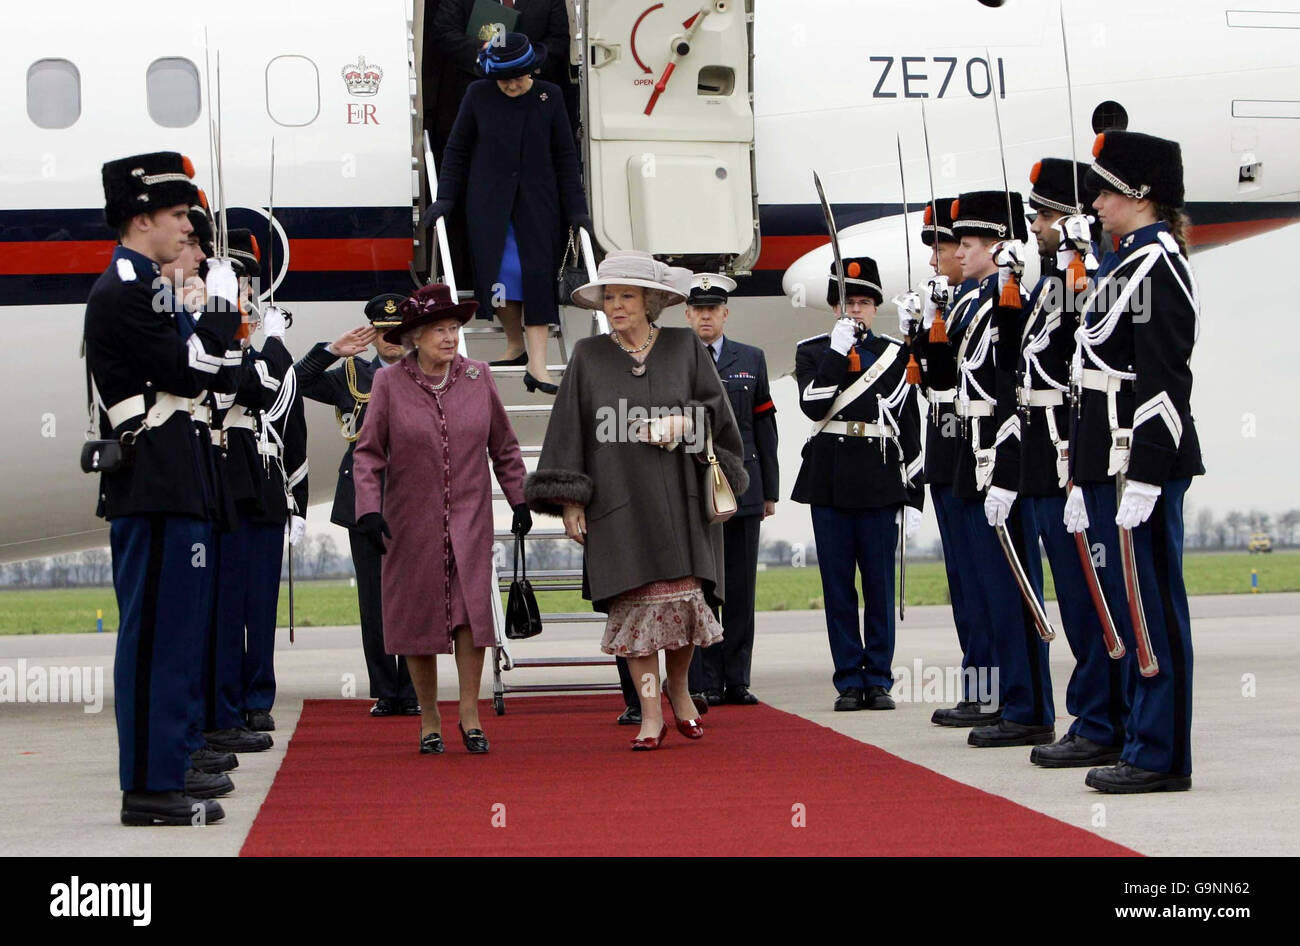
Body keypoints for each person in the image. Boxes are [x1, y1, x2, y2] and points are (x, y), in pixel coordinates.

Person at [525, 250, 748, 749]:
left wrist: (684, 424)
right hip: (618, 505)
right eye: (609, 296)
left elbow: (722, 421)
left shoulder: (685, 346)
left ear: (651, 302)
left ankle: (682, 690)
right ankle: (651, 712)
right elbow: (568, 431)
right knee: (636, 618)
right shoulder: (587, 354)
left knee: (685, 611)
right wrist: (569, 500)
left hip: (685, 502)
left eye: (627, 295)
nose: (616, 305)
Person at [86, 151, 241, 825]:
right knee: (154, 641)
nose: (188, 228)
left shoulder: (146, 283)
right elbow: (191, 369)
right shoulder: (127, 287)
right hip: (151, 481)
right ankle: (148, 788)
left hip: (173, 481)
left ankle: (167, 769)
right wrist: (225, 309)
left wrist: (217, 323)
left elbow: (212, 372)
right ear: (140, 216)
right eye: (178, 215)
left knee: (176, 638)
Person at [986, 158, 1134, 768]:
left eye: (1046, 214)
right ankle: (1093, 715)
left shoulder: (1091, 280)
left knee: (1086, 596)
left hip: (1071, 455)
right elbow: (1017, 371)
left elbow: (1092, 367)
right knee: (1075, 600)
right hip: (1041, 457)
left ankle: (1101, 720)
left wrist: (1083, 271)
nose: (1036, 225)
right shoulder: (1052, 284)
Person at [1067, 131, 1202, 793]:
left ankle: (1161, 754)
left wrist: (1147, 472)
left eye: (1104, 189)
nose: (1094, 202)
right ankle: (1146, 742)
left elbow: (1166, 377)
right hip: (1110, 455)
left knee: (1155, 610)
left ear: (1140, 194)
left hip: (1140, 458)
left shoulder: (1159, 264)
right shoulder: (1124, 263)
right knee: (1131, 605)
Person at [352, 284, 531, 755]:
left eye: (454, 328)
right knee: (418, 615)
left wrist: (520, 499)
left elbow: (505, 447)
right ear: (415, 336)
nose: (450, 338)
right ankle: (429, 716)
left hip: (471, 517)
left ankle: (469, 714)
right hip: (409, 520)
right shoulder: (389, 383)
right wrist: (368, 508)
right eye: (439, 330)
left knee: (472, 612)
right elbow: (368, 455)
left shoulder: (479, 376)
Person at [945, 190, 1056, 748]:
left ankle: (1029, 706)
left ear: (995, 245)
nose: (958, 253)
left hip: (999, 447)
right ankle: (1010, 698)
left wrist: (1005, 463)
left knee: (1013, 583)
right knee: (989, 585)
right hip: (972, 444)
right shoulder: (971, 300)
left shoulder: (1010, 296)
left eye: (967, 244)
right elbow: (946, 379)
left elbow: (1011, 381)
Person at [423, 31, 590, 393]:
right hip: (489, 205)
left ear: (532, 69)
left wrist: (577, 209)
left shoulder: (550, 96)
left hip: (539, 204)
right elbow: (456, 152)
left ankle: (539, 364)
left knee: (536, 277)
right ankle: (515, 344)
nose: (511, 85)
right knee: (500, 277)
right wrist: (446, 199)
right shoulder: (478, 95)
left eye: (517, 77)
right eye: (503, 79)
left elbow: (565, 158)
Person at [793, 257, 923, 712]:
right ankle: (849, 678)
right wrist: (835, 352)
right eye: (850, 302)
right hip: (828, 477)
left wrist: (914, 485)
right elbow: (813, 406)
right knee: (838, 585)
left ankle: (879, 677)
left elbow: (909, 419)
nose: (858, 310)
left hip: (879, 474)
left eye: (866, 302)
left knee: (879, 585)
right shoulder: (812, 351)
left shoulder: (894, 353)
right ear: (835, 308)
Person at [206, 229, 308, 745]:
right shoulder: (213, 333)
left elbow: (288, 416)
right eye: (236, 283)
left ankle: (256, 698)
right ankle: (225, 702)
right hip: (221, 480)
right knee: (225, 605)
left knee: (259, 606)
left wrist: (301, 504)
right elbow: (247, 387)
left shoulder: (261, 345)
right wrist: (264, 346)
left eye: (248, 283)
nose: (245, 293)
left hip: (262, 486)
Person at [295, 295, 419, 717]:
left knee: (415, 598)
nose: (391, 340)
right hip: (364, 497)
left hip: (414, 496)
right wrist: (331, 350)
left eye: (398, 331)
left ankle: (415, 688)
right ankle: (386, 690)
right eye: (383, 333)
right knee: (374, 599)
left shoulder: (429, 372)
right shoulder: (353, 374)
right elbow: (297, 383)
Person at [908, 199, 1000, 726]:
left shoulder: (978, 301)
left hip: (970, 443)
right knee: (963, 582)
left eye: (946, 247)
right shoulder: (952, 302)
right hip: (945, 446)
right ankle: (979, 684)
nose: (942, 257)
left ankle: (994, 687)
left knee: (983, 578)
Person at [684, 273, 779, 708]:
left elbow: (765, 427)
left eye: (713, 308)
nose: (706, 315)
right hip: (693, 491)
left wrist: (770, 491)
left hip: (742, 488)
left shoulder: (751, 359)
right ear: (687, 315)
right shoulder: (676, 360)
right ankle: (703, 680)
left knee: (740, 588)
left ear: (725, 313)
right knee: (703, 588)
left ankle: (737, 679)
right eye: (698, 309)